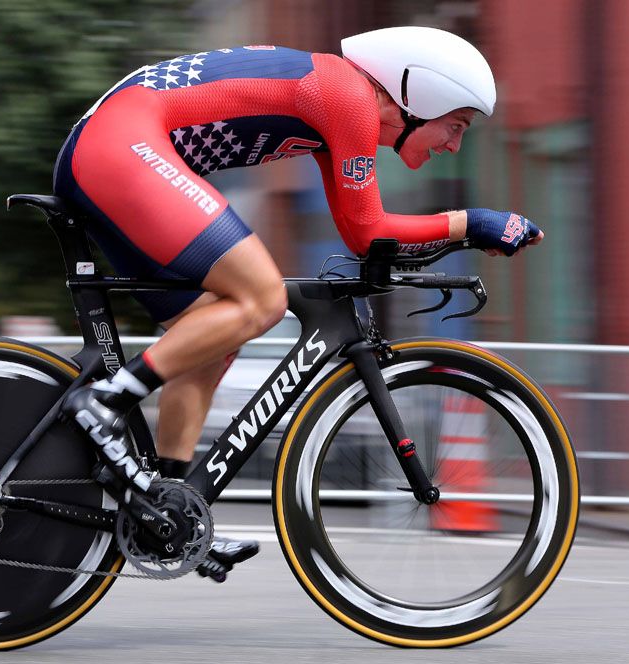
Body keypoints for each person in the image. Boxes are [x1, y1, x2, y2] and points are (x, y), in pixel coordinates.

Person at [54, 26, 543, 581]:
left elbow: (367, 235)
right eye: (456, 126)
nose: (454, 144)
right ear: (418, 96)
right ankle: (106, 401)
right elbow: (368, 231)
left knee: (210, 340)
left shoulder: (335, 108)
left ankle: (169, 508)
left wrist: (455, 233)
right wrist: (472, 224)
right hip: (119, 145)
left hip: (111, 144)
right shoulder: (348, 98)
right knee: (260, 298)